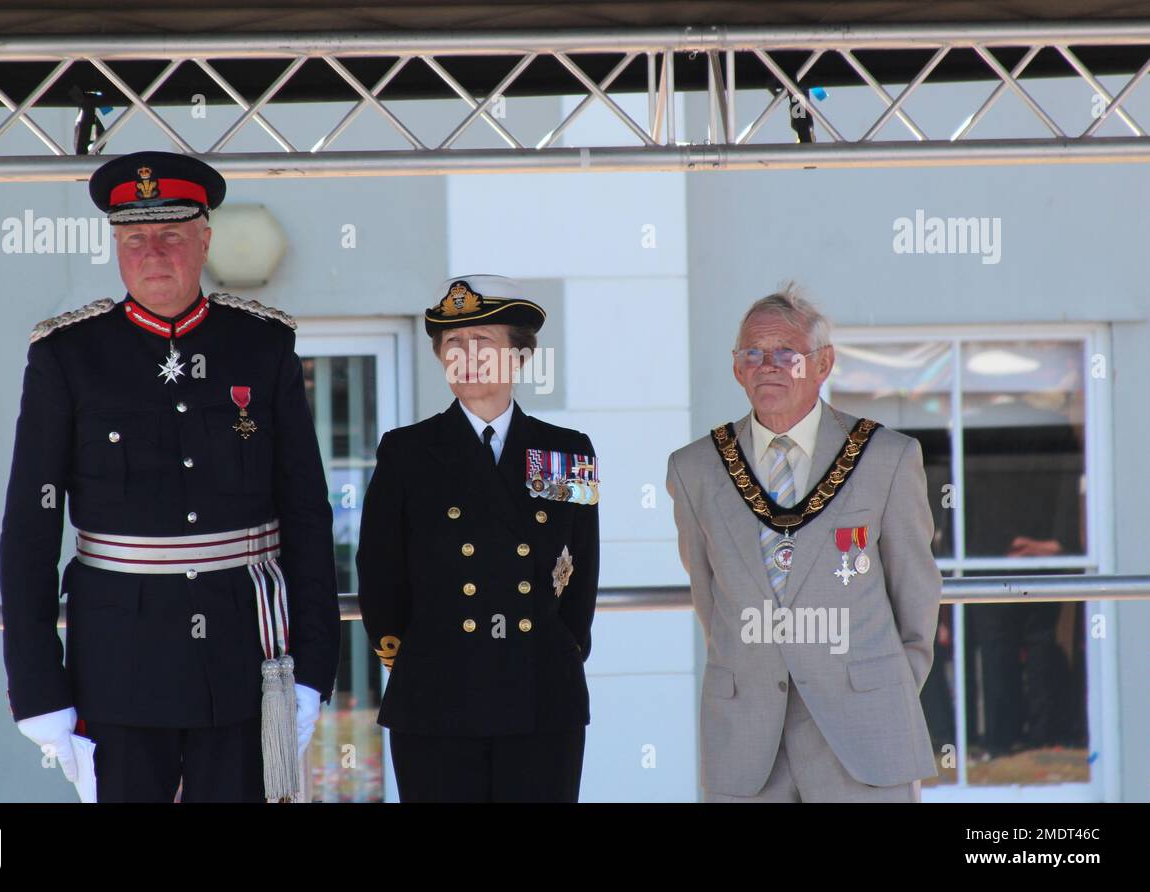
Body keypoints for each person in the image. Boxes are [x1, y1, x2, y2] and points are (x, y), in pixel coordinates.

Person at [0, 150, 340, 802]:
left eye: (171, 236)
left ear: (205, 239)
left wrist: (312, 669)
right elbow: (29, 532)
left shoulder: (261, 347)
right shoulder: (68, 357)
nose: (153, 253)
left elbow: (305, 514)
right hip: (119, 667)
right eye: (135, 238)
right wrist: (38, 688)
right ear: (116, 247)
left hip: (246, 663)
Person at [665, 282, 941, 802]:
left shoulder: (886, 458)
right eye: (754, 353)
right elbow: (711, 597)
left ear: (823, 364)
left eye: (786, 353)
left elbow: (916, 595)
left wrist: (888, 687)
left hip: (865, 734)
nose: (768, 365)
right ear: (736, 367)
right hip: (746, 737)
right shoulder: (695, 468)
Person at [356, 275, 599, 802]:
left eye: (482, 343)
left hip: (541, 694)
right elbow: (379, 570)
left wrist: (564, 651)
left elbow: (581, 570)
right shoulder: (407, 452)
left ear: (519, 358)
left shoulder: (565, 451)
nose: (465, 356)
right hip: (437, 693)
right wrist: (408, 656)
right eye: (452, 345)